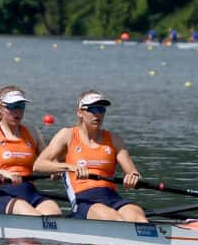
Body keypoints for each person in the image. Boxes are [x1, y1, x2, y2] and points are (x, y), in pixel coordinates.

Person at [33, 91, 147, 222]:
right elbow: (39, 164)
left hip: (112, 196)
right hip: (84, 199)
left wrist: (133, 177)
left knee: (137, 215)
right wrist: (70, 167)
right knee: (112, 218)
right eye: (93, 109)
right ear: (80, 112)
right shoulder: (68, 135)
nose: (98, 114)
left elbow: (133, 172)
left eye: (101, 109)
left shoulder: (114, 139)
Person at [0, 86, 62, 216]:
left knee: (54, 212)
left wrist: (55, 170)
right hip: (3, 194)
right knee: (32, 215)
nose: (18, 111)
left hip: (30, 192)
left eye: (21, 106)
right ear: (0, 108)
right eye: (12, 107)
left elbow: (47, 162)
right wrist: (4, 174)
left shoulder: (32, 131)